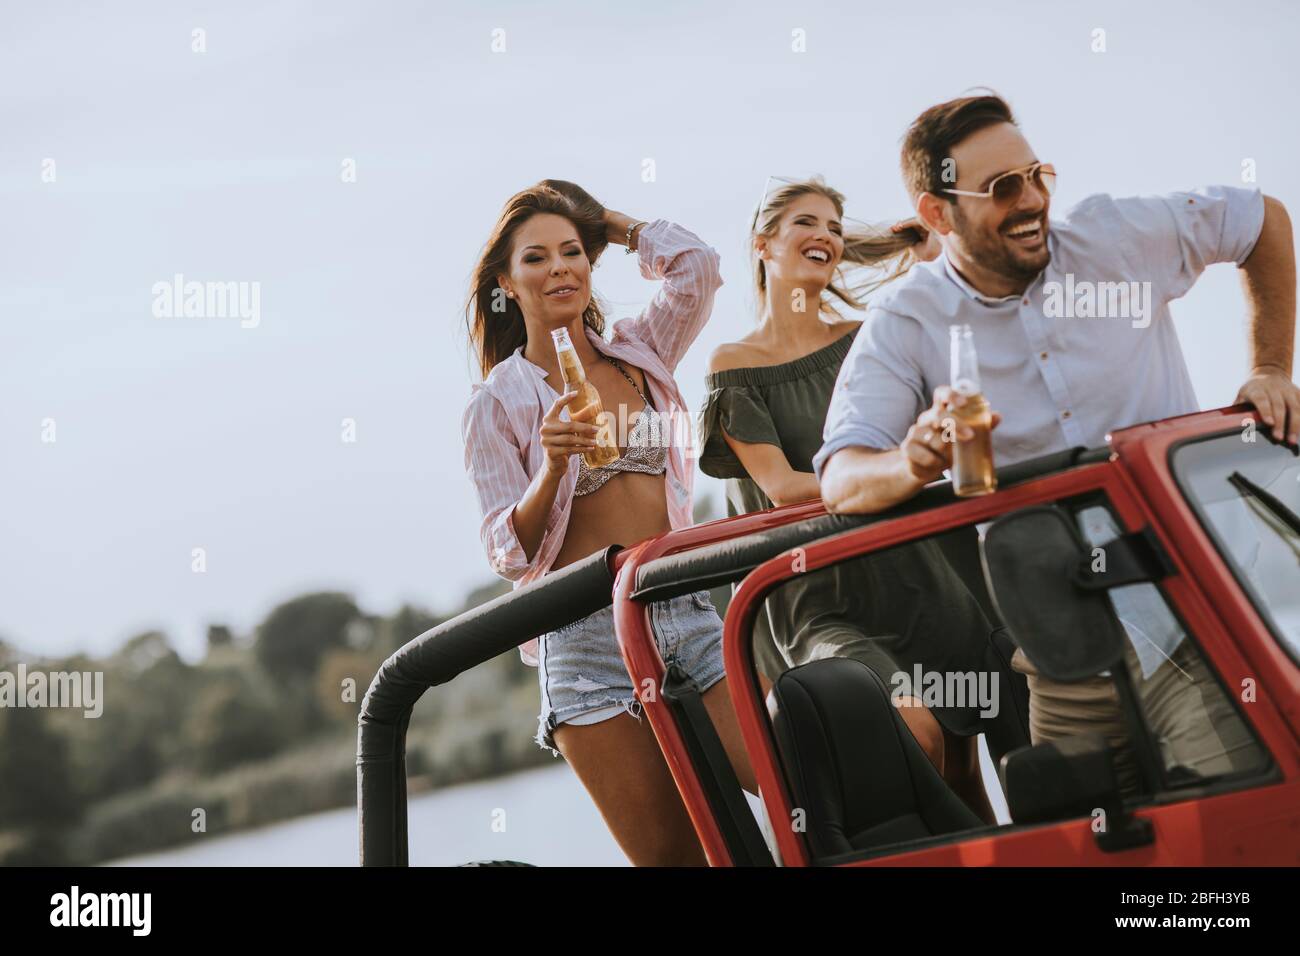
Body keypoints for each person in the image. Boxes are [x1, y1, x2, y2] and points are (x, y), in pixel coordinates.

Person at [815, 92, 1296, 793]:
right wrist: (911, 461)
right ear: (936, 213)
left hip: (1199, 616)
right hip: (1061, 661)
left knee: (1221, 852)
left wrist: (1270, 369)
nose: (1031, 198)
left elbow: (1262, 221)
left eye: (1037, 174)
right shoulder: (907, 319)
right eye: (1003, 186)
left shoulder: (1116, 236)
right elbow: (840, 477)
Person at [462, 180, 760, 865]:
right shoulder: (496, 401)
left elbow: (699, 268)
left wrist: (612, 225)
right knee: (674, 860)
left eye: (572, 252)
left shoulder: (639, 353)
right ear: (506, 281)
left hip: (682, 611)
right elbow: (507, 551)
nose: (559, 267)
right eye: (536, 258)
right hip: (587, 647)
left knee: (795, 795)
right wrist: (552, 467)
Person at [697, 176, 1000, 821]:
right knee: (913, 734)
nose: (826, 237)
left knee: (961, 749)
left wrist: (925, 253)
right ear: (763, 244)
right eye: (807, 223)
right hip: (820, 595)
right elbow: (780, 489)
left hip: (914, 567)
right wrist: (894, 468)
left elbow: (954, 348)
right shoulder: (734, 363)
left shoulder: (869, 336)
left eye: (837, 228)